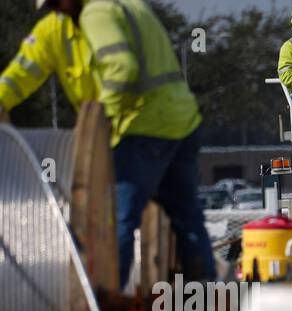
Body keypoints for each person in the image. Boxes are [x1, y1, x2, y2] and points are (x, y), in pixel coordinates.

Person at [48, 0, 215, 290]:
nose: (57, 12)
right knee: (188, 219)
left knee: (119, 221)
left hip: (145, 128)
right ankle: (204, 307)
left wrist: (103, 117)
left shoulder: (95, 12)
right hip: (183, 122)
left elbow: (122, 68)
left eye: (55, 3)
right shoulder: (131, 5)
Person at [0, 2, 96, 121]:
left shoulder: (108, 14)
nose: (56, 9)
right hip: (98, 126)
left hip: (121, 125)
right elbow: (20, 74)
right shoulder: (52, 30)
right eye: (50, 5)